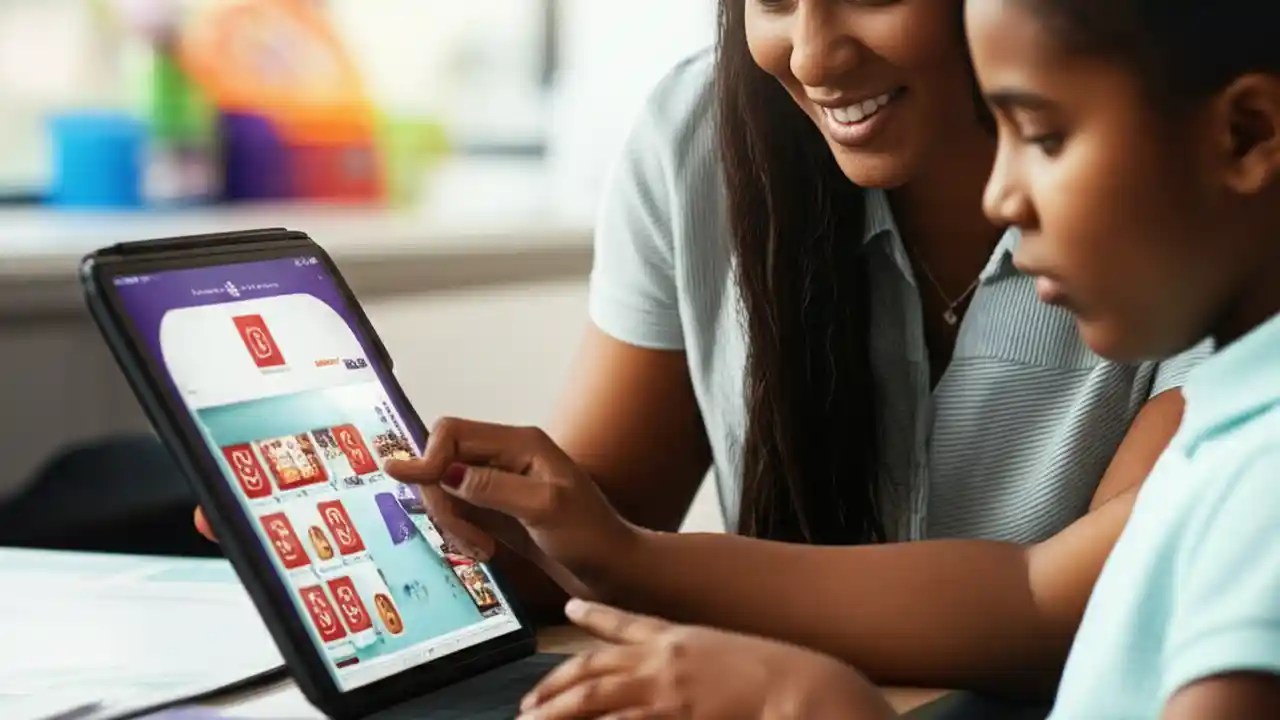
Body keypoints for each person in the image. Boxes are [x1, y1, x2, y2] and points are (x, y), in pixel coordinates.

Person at [199, 0, 1203, 692]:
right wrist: (387, 541)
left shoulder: (1201, 201)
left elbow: (1072, 607)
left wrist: (633, 559)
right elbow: (591, 534)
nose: (812, 55)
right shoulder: (703, 135)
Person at [512, 0, 1280, 716]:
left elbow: (1044, 600)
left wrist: (826, 703)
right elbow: (1037, 591)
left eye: (1041, 137)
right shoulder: (1227, 432)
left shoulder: (1254, 475)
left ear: (1247, 136)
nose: (1002, 197)